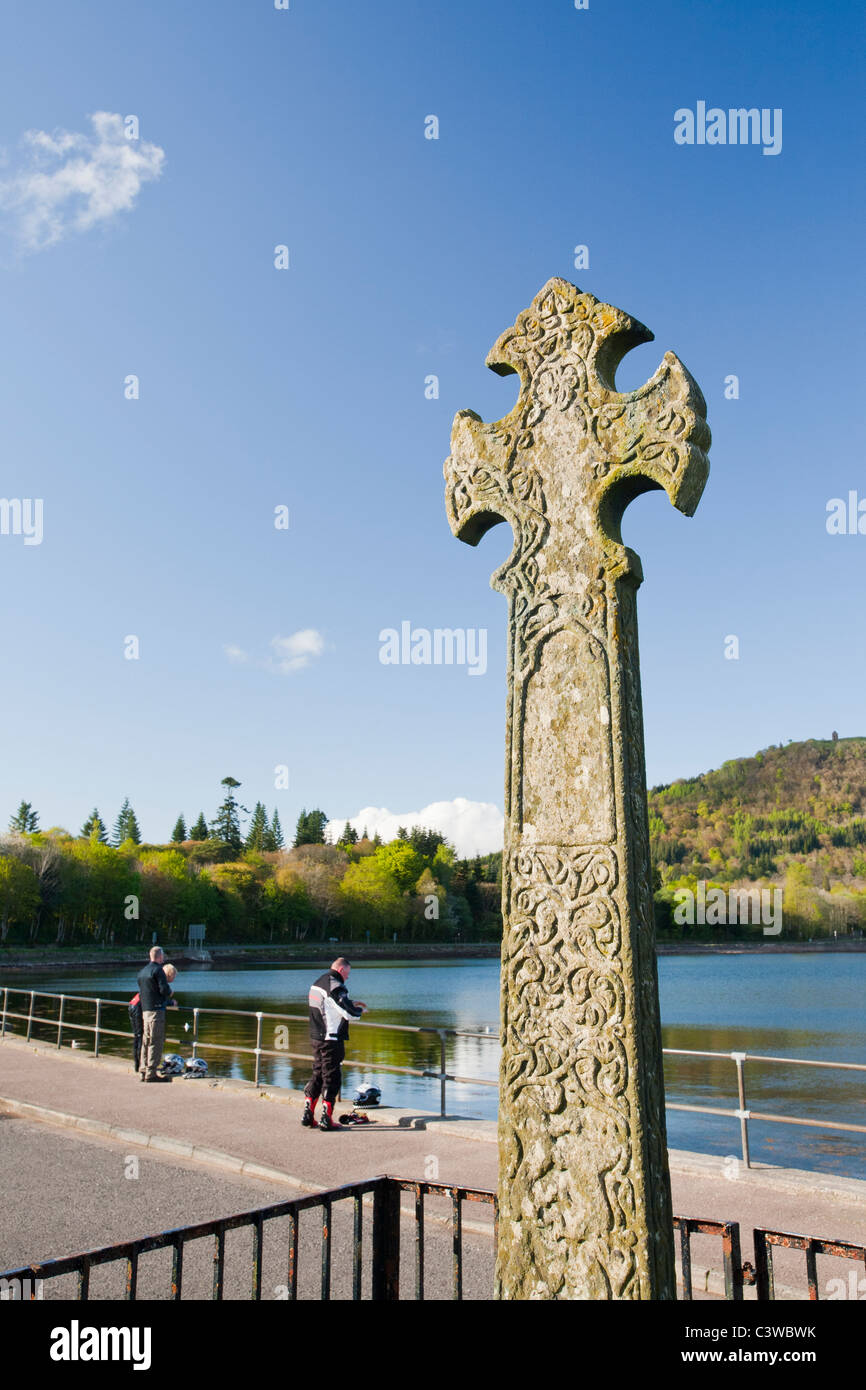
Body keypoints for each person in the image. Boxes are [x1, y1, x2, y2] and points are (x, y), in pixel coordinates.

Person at [302, 957, 367, 1131]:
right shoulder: (336, 986)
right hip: (331, 1039)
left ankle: (308, 1114)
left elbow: (328, 1006)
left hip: (316, 1037)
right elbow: (349, 1013)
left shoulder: (317, 983)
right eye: (347, 974)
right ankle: (326, 1119)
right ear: (341, 970)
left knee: (317, 1074)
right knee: (332, 1077)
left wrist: (351, 1002)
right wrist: (359, 1010)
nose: (348, 978)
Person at [137, 946, 177, 1083]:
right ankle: (151, 1073)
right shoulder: (158, 970)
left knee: (146, 1042)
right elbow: (164, 989)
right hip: (156, 1011)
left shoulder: (142, 972)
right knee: (156, 1042)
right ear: (160, 957)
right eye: (163, 956)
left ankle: (143, 1070)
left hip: (145, 1011)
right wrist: (170, 995)